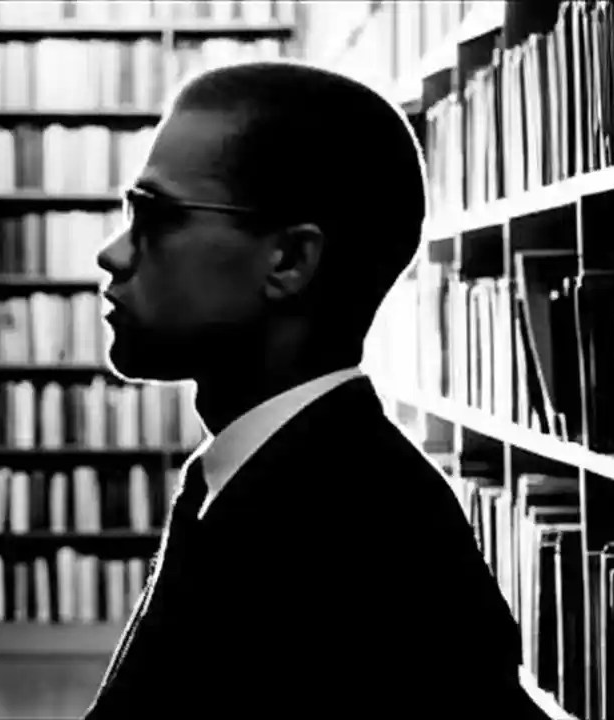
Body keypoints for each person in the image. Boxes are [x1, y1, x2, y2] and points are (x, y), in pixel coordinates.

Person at [85, 60, 548, 719]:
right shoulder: (258, 473)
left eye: (153, 216)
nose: (113, 252)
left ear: (290, 261)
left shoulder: (369, 548)